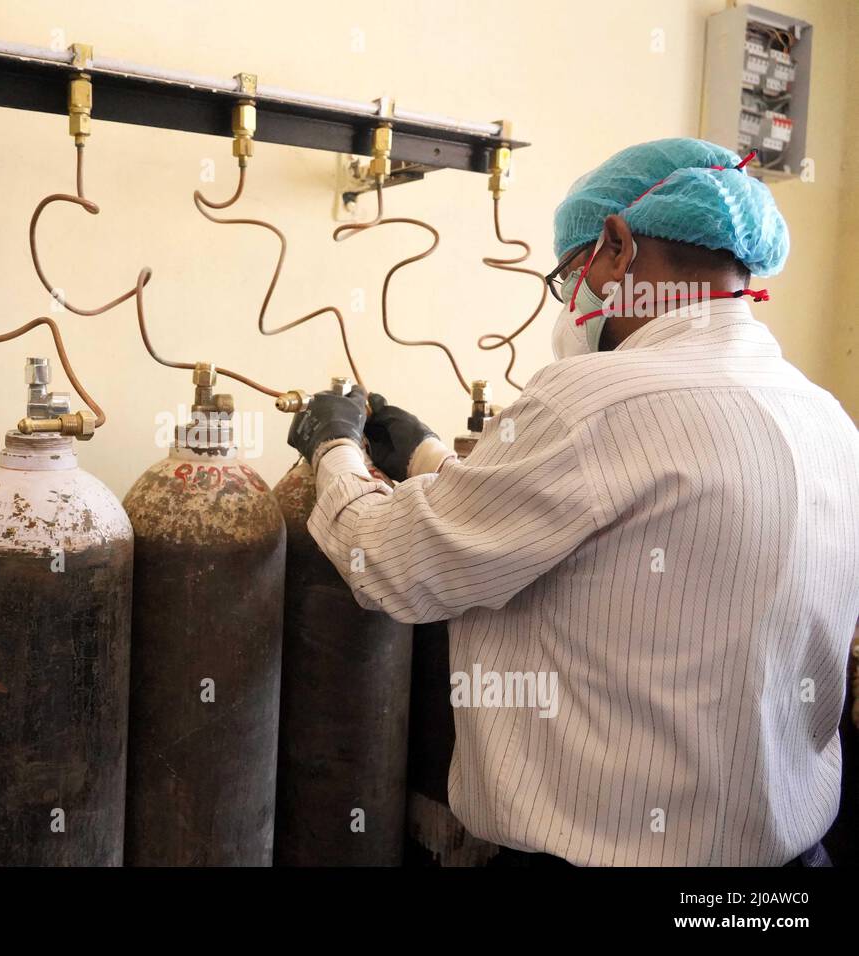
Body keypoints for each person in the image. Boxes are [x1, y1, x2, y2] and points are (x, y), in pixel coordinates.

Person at [288, 137, 859, 866]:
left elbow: (391, 563)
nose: (571, 303)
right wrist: (428, 454)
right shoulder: (825, 417)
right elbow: (586, 518)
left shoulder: (593, 400)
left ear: (616, 247)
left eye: (569, 277)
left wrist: (333, 446)